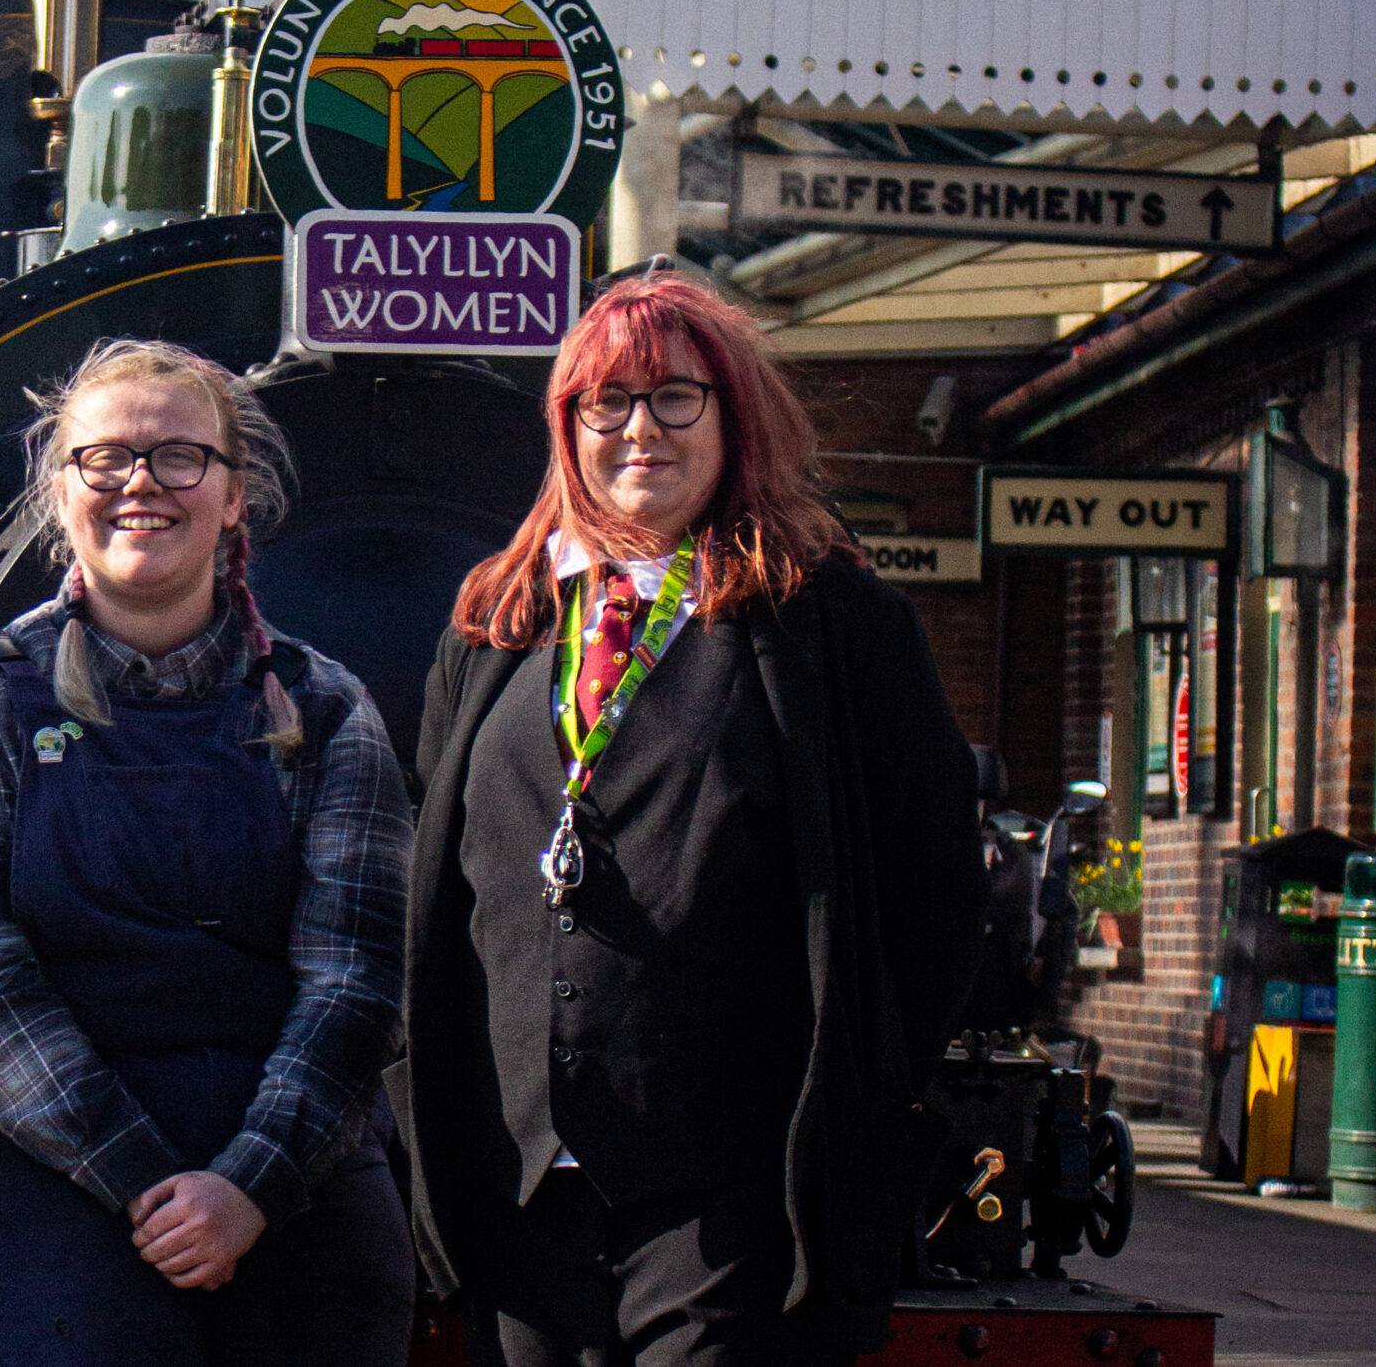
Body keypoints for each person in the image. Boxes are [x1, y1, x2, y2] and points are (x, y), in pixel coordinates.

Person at [391, 269, 982, 1367]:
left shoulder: (835, 624)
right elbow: (436, 882)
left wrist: (866, 1088)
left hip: (732, 1193)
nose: (638, 429)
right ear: (565, 428)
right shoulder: (494, 626)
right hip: (520, 1184)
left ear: (733, 415)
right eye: (603, 402)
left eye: (675, 396)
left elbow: (932, 889)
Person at [0, 338, 416, 1367]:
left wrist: (249, 1185)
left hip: (291, 1158)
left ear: (233, 497)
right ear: (59, 491)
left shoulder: (327, 705)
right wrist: (144, 1184)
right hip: (39, 1158)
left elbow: (354, 980)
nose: (142, 483)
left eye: (180, 457)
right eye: (106, 458)